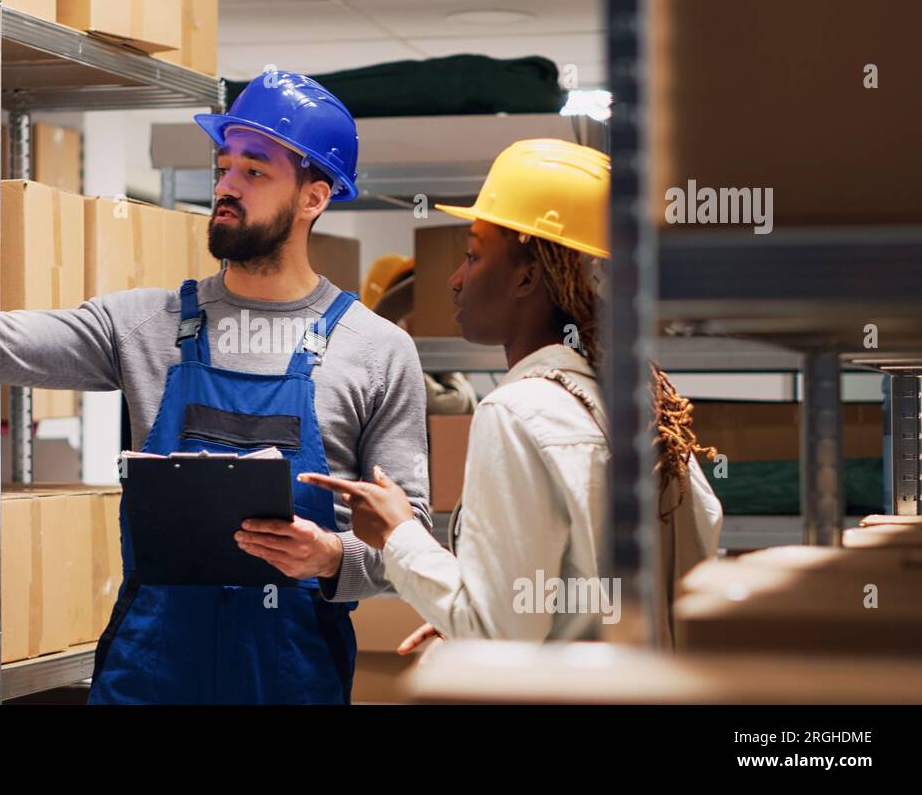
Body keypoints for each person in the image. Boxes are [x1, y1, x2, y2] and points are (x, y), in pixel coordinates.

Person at [0, 71, 431, 704]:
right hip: (151, 674)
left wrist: (329, 559)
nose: (226, 188)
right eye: (224, 165)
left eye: (254, 172)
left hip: (291, 681)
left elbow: (413, 540)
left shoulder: (377, 352)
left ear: (314, 197)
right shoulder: (142, 326)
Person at [302, 138, 722, 649]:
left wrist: (397, 533)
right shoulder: (641, 409)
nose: (455, 281)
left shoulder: (518, 413)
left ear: (528, 276)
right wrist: (466, 604)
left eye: (473, 255)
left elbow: (499, 634)